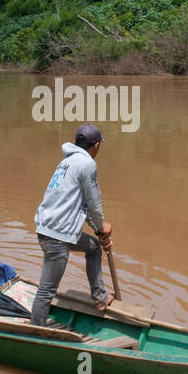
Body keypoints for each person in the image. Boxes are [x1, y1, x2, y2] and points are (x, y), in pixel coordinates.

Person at [29, 124, 114, 328]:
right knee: (47, 290)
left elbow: (80, 205)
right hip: (57, 235)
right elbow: (93, 203)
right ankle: (37, 328)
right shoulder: (87, 164)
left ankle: (100, 297)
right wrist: (103, 227)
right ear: (95, 146)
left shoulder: (66, 162)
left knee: (93, 248)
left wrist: (98, 231)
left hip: (53, 229)